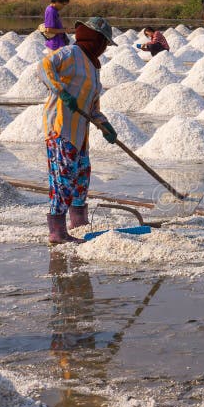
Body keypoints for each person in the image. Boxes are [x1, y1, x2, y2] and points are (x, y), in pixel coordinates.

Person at [39, 16, 118, 244]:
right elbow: (45, 65)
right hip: (61, 127)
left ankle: (79, 221)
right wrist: (60, 90)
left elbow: (92, 107)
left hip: (80, 133)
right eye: (104, 42)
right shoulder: (71, 53)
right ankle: (57, 231)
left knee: (82, 174)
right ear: (95, 39)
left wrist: (106, 127)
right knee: (63, 177)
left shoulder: (94, 67)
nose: (104, 48)